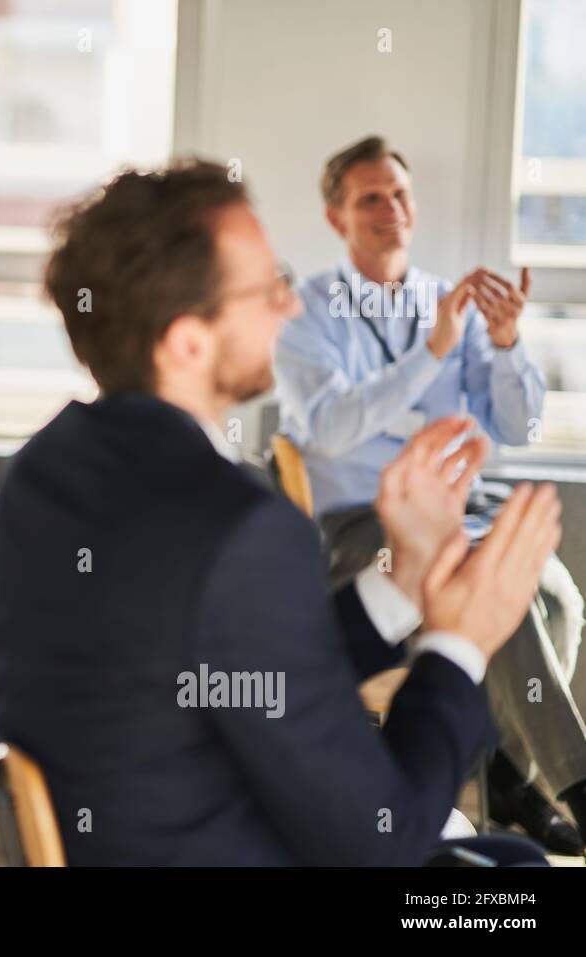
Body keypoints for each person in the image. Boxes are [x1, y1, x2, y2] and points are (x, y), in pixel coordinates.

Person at [0, 161, 559, 865]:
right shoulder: (241, 524)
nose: (289, 307)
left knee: (499, 860)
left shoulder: (44, 470)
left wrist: (403, 580)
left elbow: (253, 665)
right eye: (267, 290)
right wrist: (457, 644)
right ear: (188, 342)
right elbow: (386, 835)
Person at [273, 135, 586, 853]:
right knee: (487, 573)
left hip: (464, 513)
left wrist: (506, 344)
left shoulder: (453, 302)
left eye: (401, 194)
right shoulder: (307, 313)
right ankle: (575, 785)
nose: (392, 210)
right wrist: (432, 353)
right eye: (370, 198)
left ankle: (512, 769)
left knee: (557, 595)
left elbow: (518, 423)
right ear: (336, 216)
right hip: (363, 528)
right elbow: (326, 428)